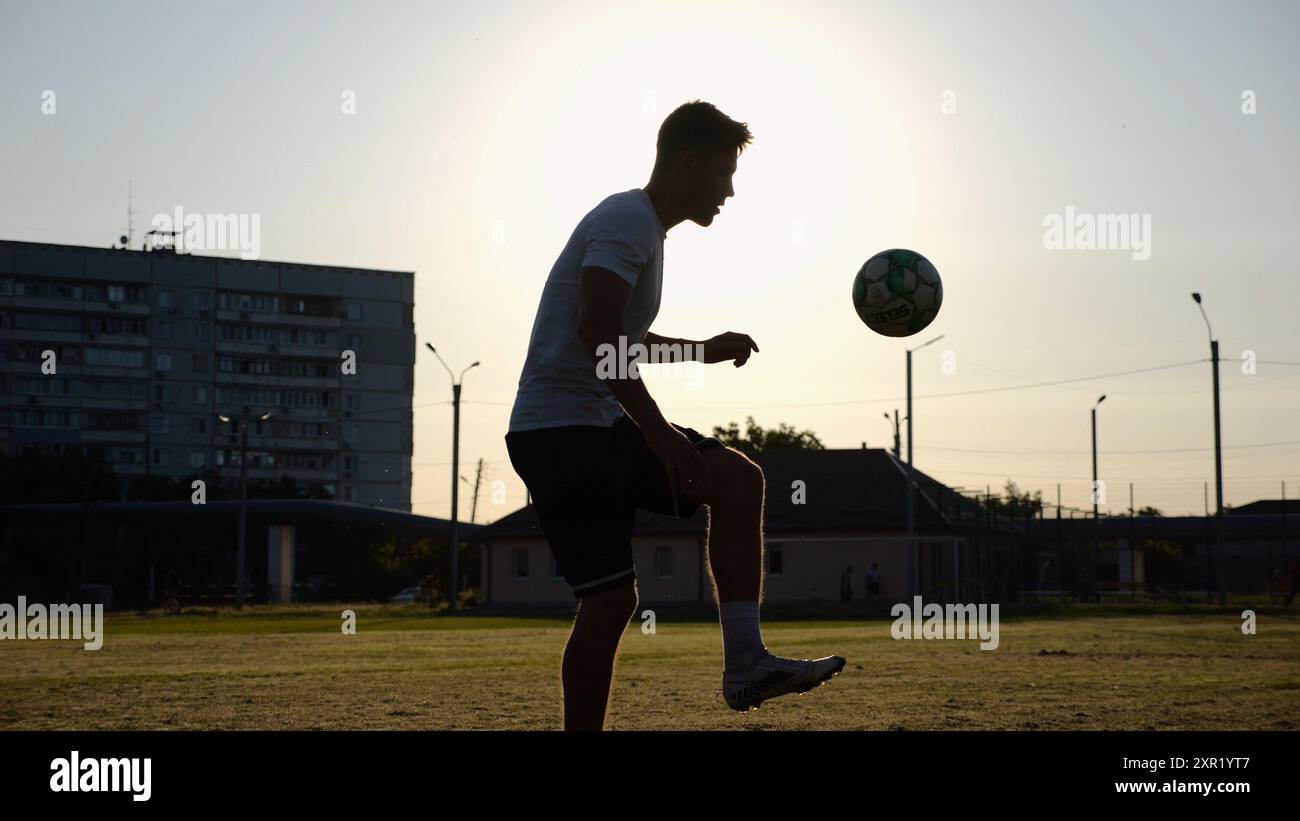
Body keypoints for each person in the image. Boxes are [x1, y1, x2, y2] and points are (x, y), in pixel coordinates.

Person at [505, 100, 844, 730]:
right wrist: (658, 434)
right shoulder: (627, 220)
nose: (730, 191)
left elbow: (616, 337)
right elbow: (596, 331)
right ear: (688, 164)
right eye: (722, 173)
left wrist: (700, 352)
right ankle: (744, 662)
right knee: (612, 597)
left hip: (586, 426)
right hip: (562, 434)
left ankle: (746, 661)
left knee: (627, 585)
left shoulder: (644, 227)